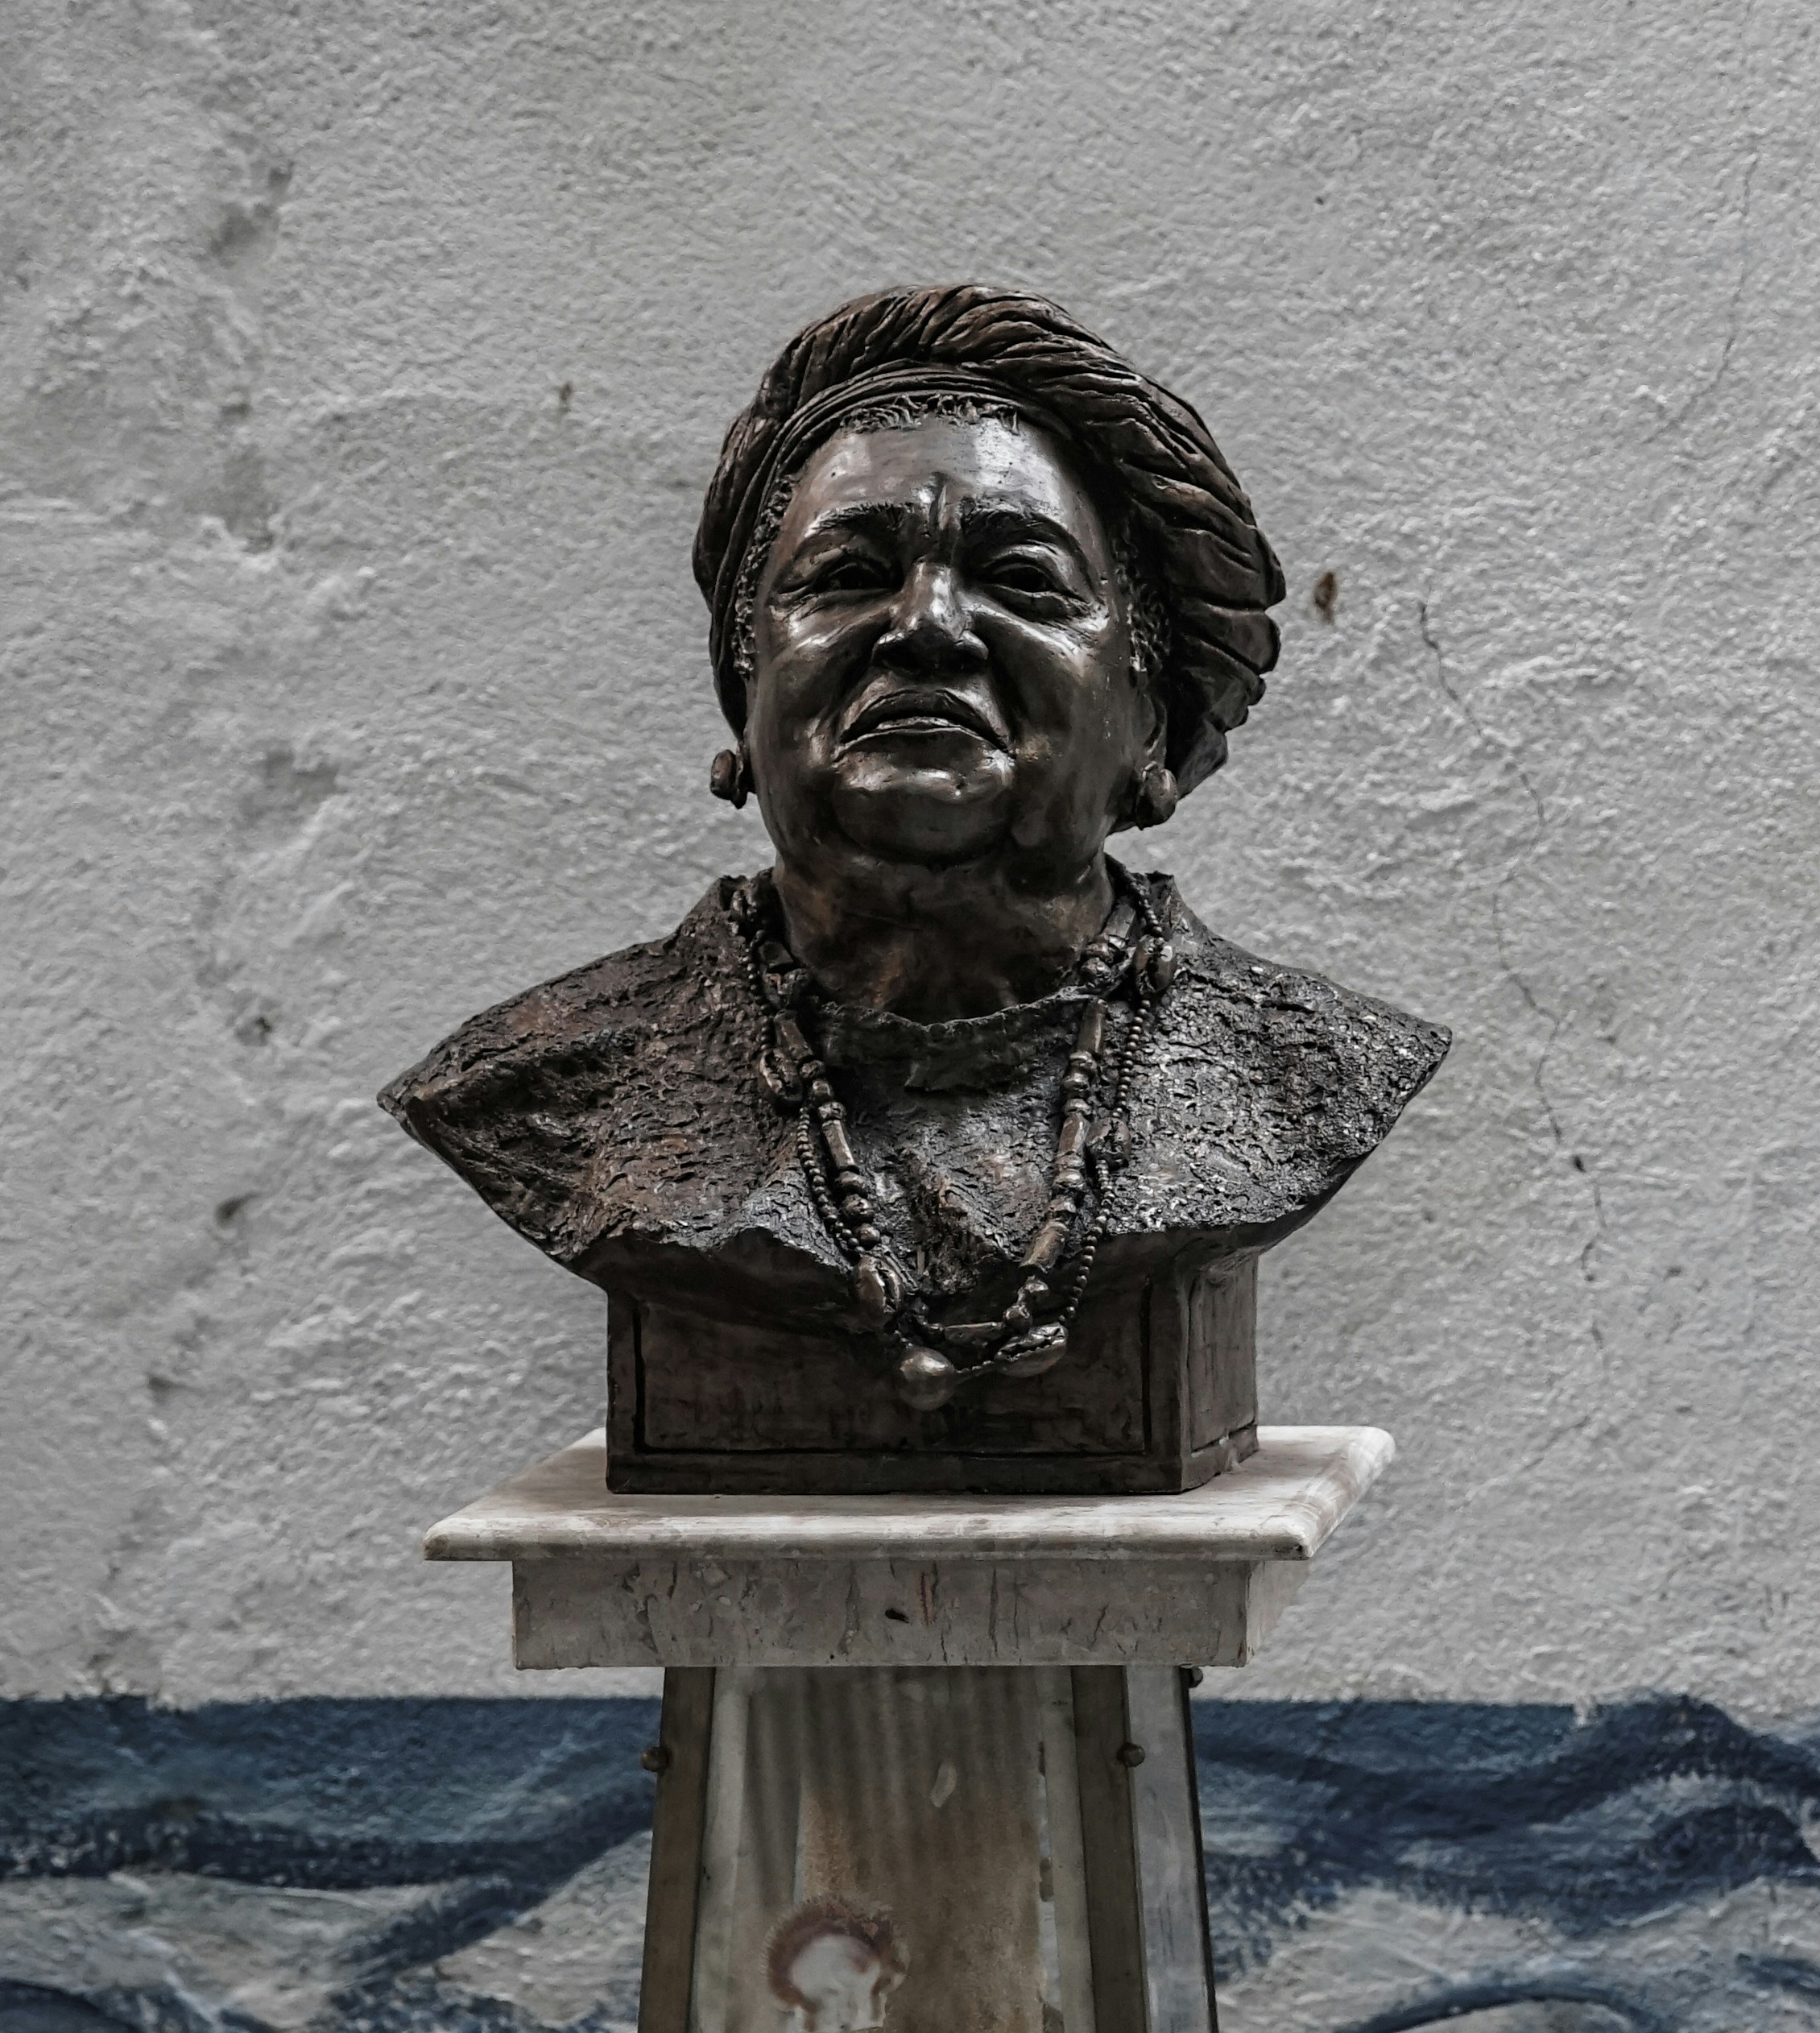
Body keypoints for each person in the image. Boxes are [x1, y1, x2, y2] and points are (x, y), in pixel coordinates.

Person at [384, 286, 1445, 1414]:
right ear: (747, 685)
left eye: (1023, 579)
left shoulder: (1300, 1077)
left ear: (1151, 715)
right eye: (847, 575)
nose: (927, 625)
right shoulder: (555, 1092)